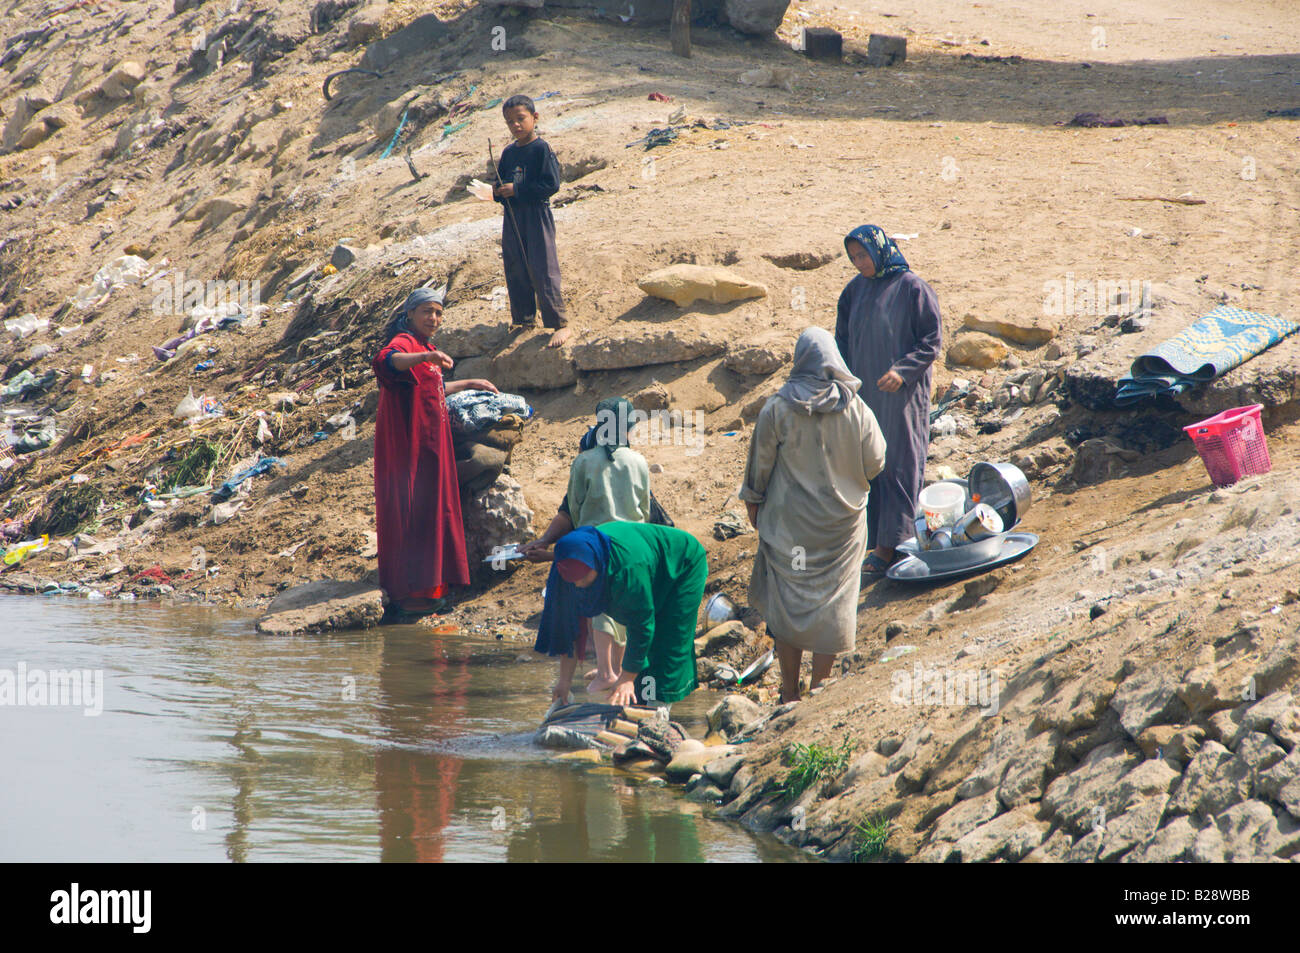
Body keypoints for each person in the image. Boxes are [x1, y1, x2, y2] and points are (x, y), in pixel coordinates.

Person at [741, 327, 887, 703]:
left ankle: (789, 690)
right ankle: (820, 688)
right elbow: (876, 463)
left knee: (789, 603)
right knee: (834, 605)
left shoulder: (778, 408)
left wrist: (754, 502)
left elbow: (760, 467)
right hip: (841, 529)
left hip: (792, 531)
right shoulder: (856, 408)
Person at [372, 287, 500, 617]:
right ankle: (411, 595)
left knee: (436, 511)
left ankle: (436, 589)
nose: (434, 318)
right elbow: (386, 362)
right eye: (427, 311)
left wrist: (469, 383)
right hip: (408, 449)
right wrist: (425, 358)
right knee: (414, 512)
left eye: (439, 313)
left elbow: (431, 385)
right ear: (410, 314)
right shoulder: (405, 343)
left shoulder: (426, 348)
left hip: (432, 447)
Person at [520, 397, 652, 696]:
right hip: (631, 542)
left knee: (594, 608)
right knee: (622, 609)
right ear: (628, 428)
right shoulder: (639, 461)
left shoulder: (584, 461)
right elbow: (644, 509)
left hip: (591, 543)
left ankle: (602, 673)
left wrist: (555, 546)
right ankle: (615, 672)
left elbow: (574, 509)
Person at [835, 224, 942, 577]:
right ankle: (877, 544)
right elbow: (843, 342)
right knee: (870, 464)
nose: (859, 262)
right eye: (853, 257)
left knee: (899, 462)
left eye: (863, 255)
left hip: (902, 397)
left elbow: (931, 340)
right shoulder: (853, 292)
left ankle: (896, 546)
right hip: (865, 396)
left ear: (880, 250)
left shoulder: (912, 288)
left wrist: (902, 371)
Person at [534, 523, 706, 708]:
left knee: (667, 640)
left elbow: (641, 626)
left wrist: (626, 678)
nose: (578, 585)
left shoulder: (626, 570)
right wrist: (564, 681)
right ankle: (640, 700)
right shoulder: (566, 569)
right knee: (642, 656)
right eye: (573, 580)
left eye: (584, 578)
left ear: (597, 564)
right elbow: (571, 627)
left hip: (681, 563)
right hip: (648, 567)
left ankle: (658, 707)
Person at [494, 94, 570, 349]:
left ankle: (559, 324)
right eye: (510, 122)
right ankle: (524, 319)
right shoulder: (507, 153)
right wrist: (497, 192)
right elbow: (503, 183)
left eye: (520, 119)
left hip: (536, 214)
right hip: (513, 217)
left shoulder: (541, 149)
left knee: (542, 267)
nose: (515, 125)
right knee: (515, 265)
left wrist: (517, 190)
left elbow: (551, 184)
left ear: (534, 118)